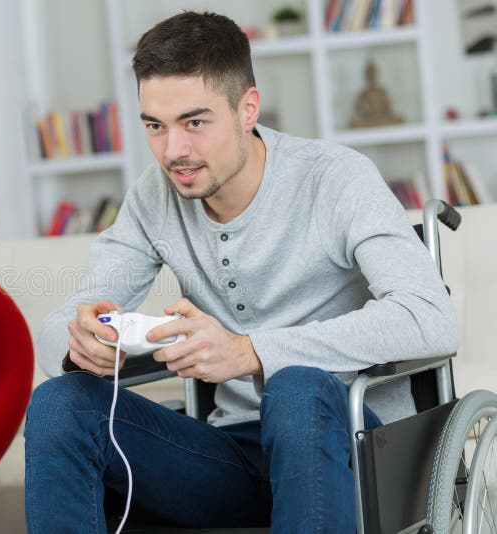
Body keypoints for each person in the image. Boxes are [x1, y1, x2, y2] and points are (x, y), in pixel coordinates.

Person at [24, 11, 458, 532]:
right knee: (59, 403)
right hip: (234, 457)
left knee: (298, 386)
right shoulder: (153, 199)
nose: (173, 151)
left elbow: (431, 318)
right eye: (155, 126)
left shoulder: (337, 179)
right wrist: (80, 341)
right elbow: (58, 329)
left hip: (352, 445)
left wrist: (250, 352)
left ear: (247, 108)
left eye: (195, 122)